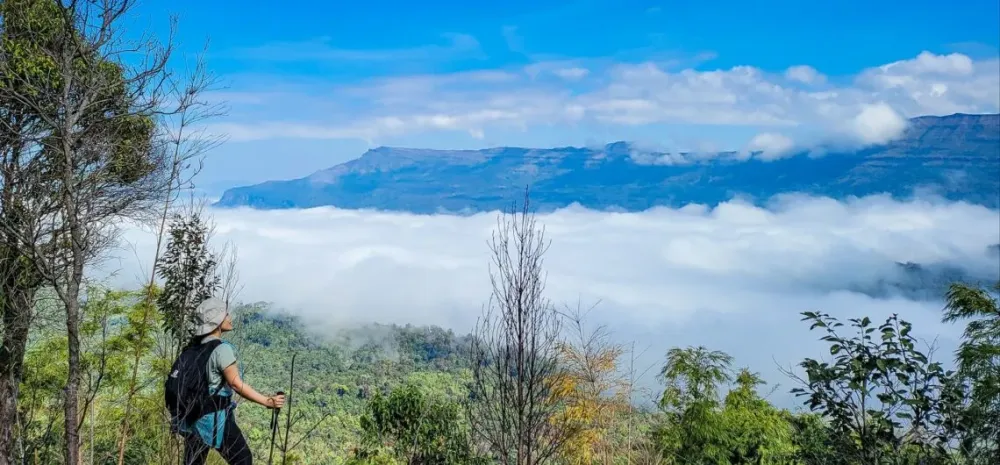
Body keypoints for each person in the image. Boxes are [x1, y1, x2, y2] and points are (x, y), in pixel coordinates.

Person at [175, 297, 285, 465]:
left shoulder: (192, 349)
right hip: (214, 418)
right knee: (243, 459)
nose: (230, 317)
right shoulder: (221, 349)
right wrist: (266, 401)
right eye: (226, 314)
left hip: (191, 418)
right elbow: (235, 383)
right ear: (217, 321)